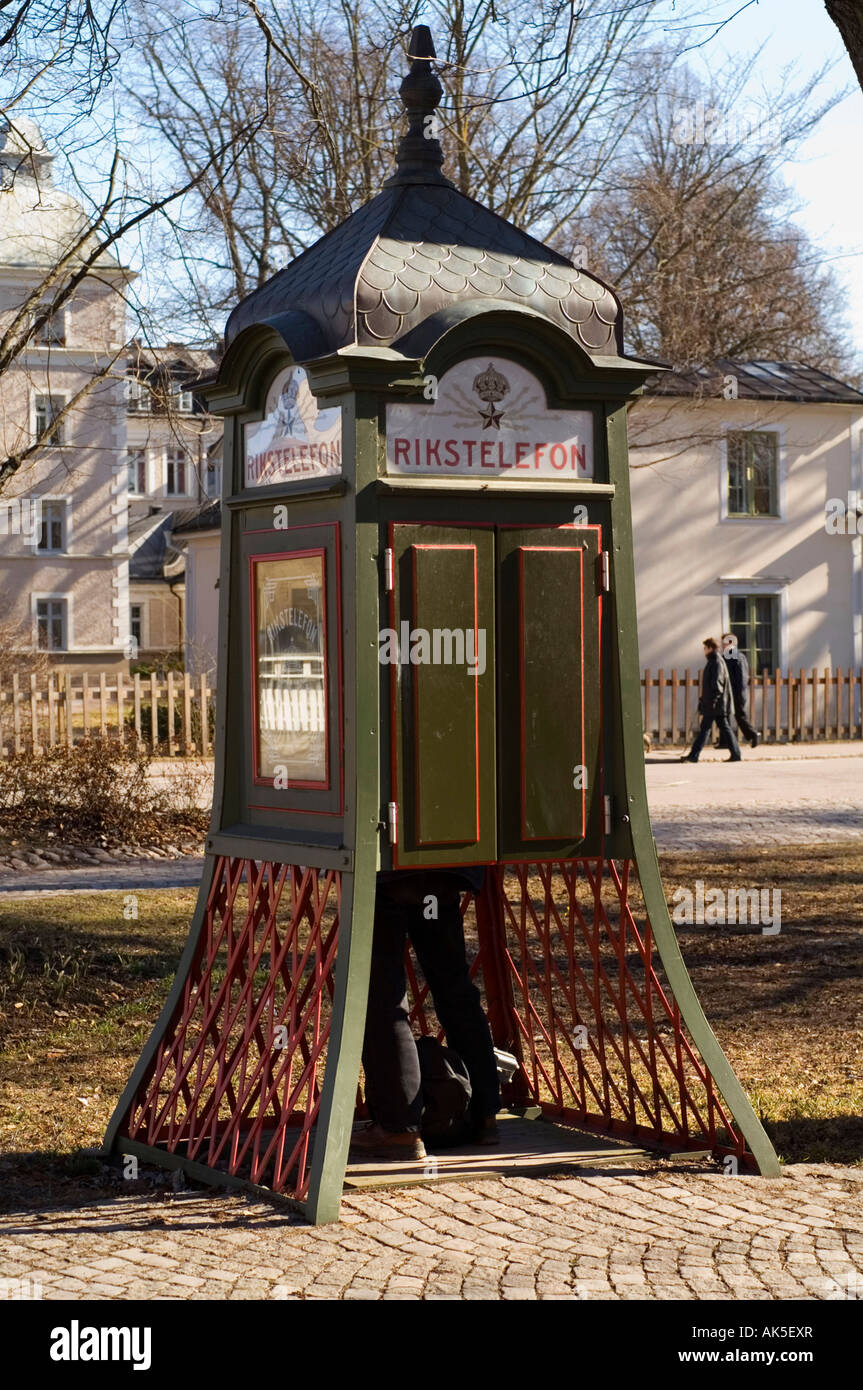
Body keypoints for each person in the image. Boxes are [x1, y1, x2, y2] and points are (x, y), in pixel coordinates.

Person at [350, 867, 501, 1161]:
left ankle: (400, 1128)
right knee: (455, 988)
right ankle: (486, 1116)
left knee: (386, 998)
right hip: (443, 863)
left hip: (387, 871)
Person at [681, 637, 742, 763]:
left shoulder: (716, 662)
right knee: (721, 728)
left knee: (705, 729)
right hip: (716, 704)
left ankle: (694, 756)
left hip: (715, 704)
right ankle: (736, 754)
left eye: (705, 648)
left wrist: (712, 701)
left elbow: (717, 684)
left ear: (710, 648)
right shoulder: (714, 660)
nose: (704, 650)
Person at [721, 633, 760, 748]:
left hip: (736, 693)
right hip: (728, 692)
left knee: (739, 716)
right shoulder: (726, 656)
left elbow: (742, 678)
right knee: (724, 716)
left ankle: (753, 734)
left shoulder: (737, 657)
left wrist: (738, 693)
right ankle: (725, 742)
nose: (722, 645)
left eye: (724, 643)